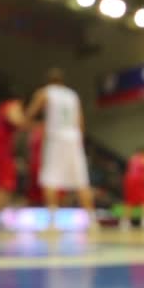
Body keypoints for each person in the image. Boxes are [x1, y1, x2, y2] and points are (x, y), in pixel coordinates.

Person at [25, 68, 96, 230]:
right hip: (74, 138)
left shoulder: (45, 92)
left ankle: (52, 220)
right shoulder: (72, 94)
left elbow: (30, 113)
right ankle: (92, 220)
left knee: (50, 178)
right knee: (81, 180)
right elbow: (80, 121)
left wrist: (31, 123)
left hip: (56, 138)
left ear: (48, 81)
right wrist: (79, 139)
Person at [0, 98, 25, 216]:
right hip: (1, 149)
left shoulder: (0, 110)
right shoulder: (12, 105)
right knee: (4, 184)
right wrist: (29, 118)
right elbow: (17, 120)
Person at [120, 149, 144, 231]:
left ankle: (125, 222)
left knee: (129, 202)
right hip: (138, 180)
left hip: (128, 181)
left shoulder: (132, 158)